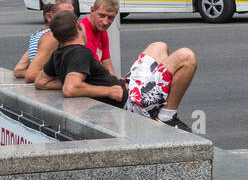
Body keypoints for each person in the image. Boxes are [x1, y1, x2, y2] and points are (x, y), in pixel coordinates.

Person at [36, 10, 199, 131]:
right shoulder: (81, 52)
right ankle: (166, 116)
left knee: (158, 46)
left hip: (131, 85)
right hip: (136, 102)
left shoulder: (58, 53)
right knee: (186, 57)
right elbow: (70, 88)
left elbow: (41, 81)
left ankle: (161, 102)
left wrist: (78, 84)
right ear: (79, 25)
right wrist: (107, 91)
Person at [14, 0, 74, 82]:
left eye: (73, 14)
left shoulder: (38, 35)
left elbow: (19, 70)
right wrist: (61, 77)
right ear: (49, 17)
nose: (73, 19)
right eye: (65, 15)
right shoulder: (53, 37)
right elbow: (31, 75)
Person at [80, 0, 118, 74]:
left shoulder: (101, 29)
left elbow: (106, 61)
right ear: (92, 10)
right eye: (102, 15)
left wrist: (116, 82)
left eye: (110, 17)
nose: (105, 22)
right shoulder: (82, 32)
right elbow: (93, 70)